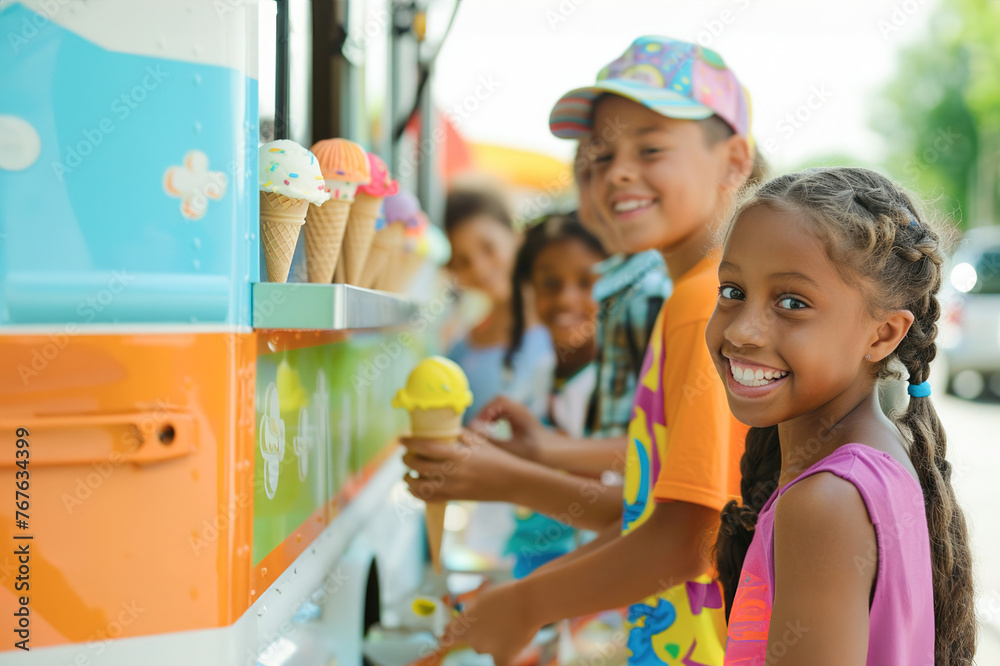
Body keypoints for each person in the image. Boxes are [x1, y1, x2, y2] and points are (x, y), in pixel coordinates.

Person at [431, 36, 755, 665]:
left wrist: (526, 605)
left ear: (733, 159)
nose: (618, 173)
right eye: (600, 156)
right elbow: (649, 513)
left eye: (650, 148)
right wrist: (525, 593)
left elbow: (687, 539)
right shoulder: (690, 294)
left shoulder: (700, 306)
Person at [710, 167, 976, 665]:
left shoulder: (825, 502)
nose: (743, 331)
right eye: (732, 291)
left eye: (792, 302)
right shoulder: (882, 453)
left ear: (883, 335)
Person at [501, 212, 607, 576]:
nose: (566, 299)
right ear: (528, 287)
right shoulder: (538, 373)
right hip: (539, 566)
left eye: (586, 282)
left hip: (600, 575)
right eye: (550, 283)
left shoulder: (624, 384)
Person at [573, 141, 671, 440]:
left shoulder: (651, 291)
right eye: (590, 173)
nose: (608, 184)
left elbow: (656, 439)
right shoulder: (615, 285)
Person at [444, 187, 554, 422]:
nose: (479, 268)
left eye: (488, 247)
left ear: (516, 234)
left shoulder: (561, 331)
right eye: (463, 261)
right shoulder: (459, 350)